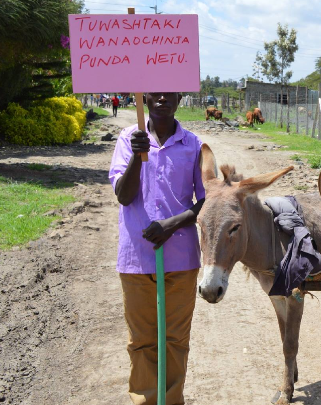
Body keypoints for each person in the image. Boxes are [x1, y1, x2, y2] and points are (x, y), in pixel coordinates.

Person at [109, 92, 205, 405]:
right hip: (136, 258)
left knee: (175, 340)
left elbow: (206, 201)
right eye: (156, 89)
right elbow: (124, 196)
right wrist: (138, 156)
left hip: (180, 258)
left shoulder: (193, 145)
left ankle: (172, 400)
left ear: (180, 96)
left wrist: (171, 224)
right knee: (142, 341)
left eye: (171, 89)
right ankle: (146, 401)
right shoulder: (128, 139)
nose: (163, 95)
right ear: (145, 96)